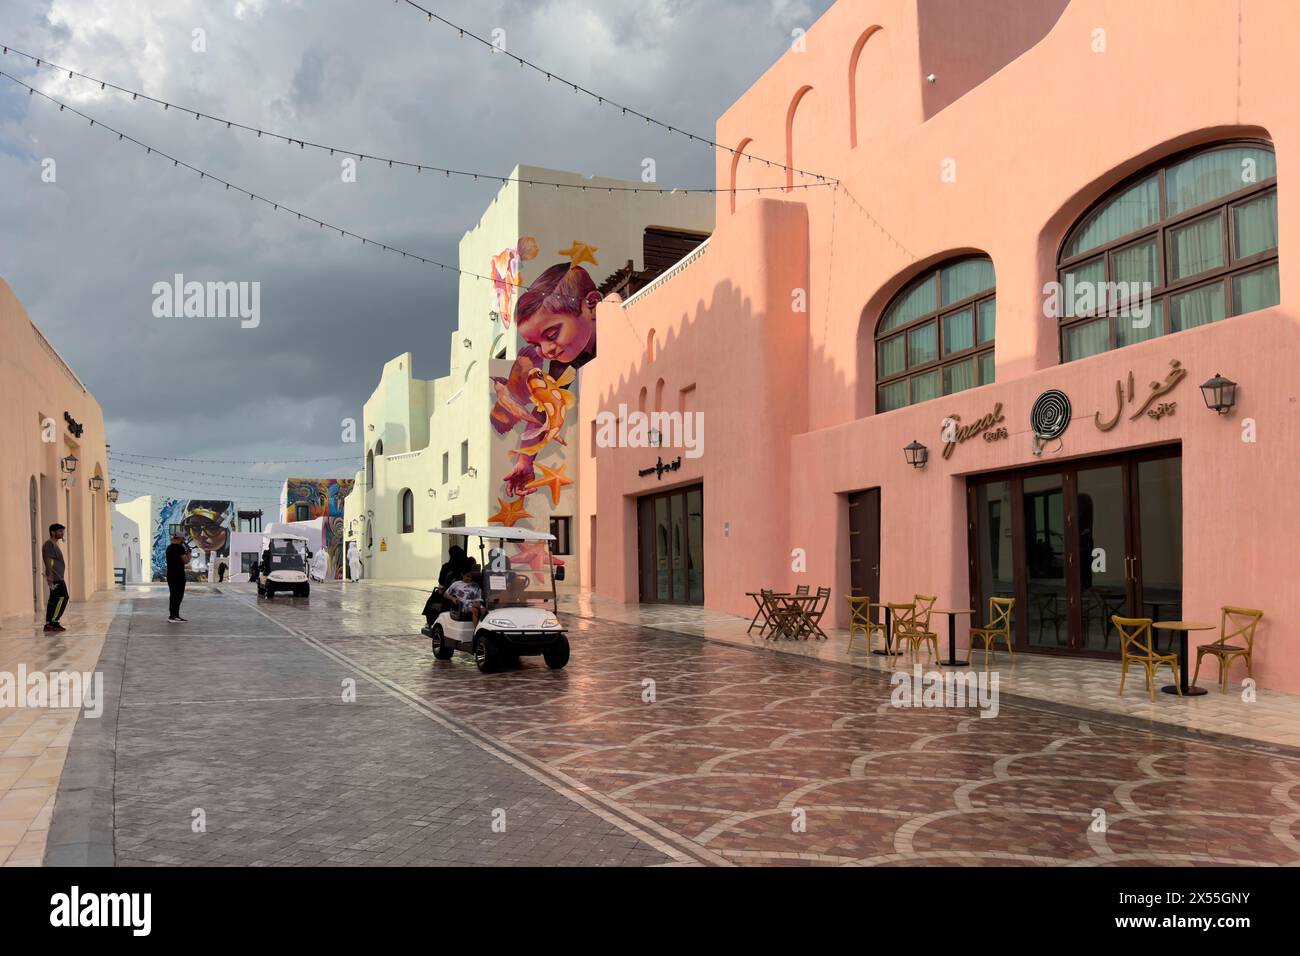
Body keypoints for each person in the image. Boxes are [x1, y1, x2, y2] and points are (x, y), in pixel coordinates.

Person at [43, 523, 68, 633]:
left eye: (63, 531)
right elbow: (49, 560)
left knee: (53, 600)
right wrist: (50, 575)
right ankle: (54, 622)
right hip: (56, 578)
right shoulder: (49, 544)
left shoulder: (53, 544)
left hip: (58, 577)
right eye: (60, 531)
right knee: (63, 597)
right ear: (53, 532)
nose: (62, 533)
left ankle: (49, 623)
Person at [165, 533, 190, 622]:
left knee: (173, 595)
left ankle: (172, 615)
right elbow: (186, 561)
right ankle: (174, 616)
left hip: (170, 574)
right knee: (178, 595)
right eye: (183, 539)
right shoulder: (180, 548)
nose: (183, 541)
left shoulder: (169, 548)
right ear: (180, 539)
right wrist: (188, 552)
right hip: (178, 574)